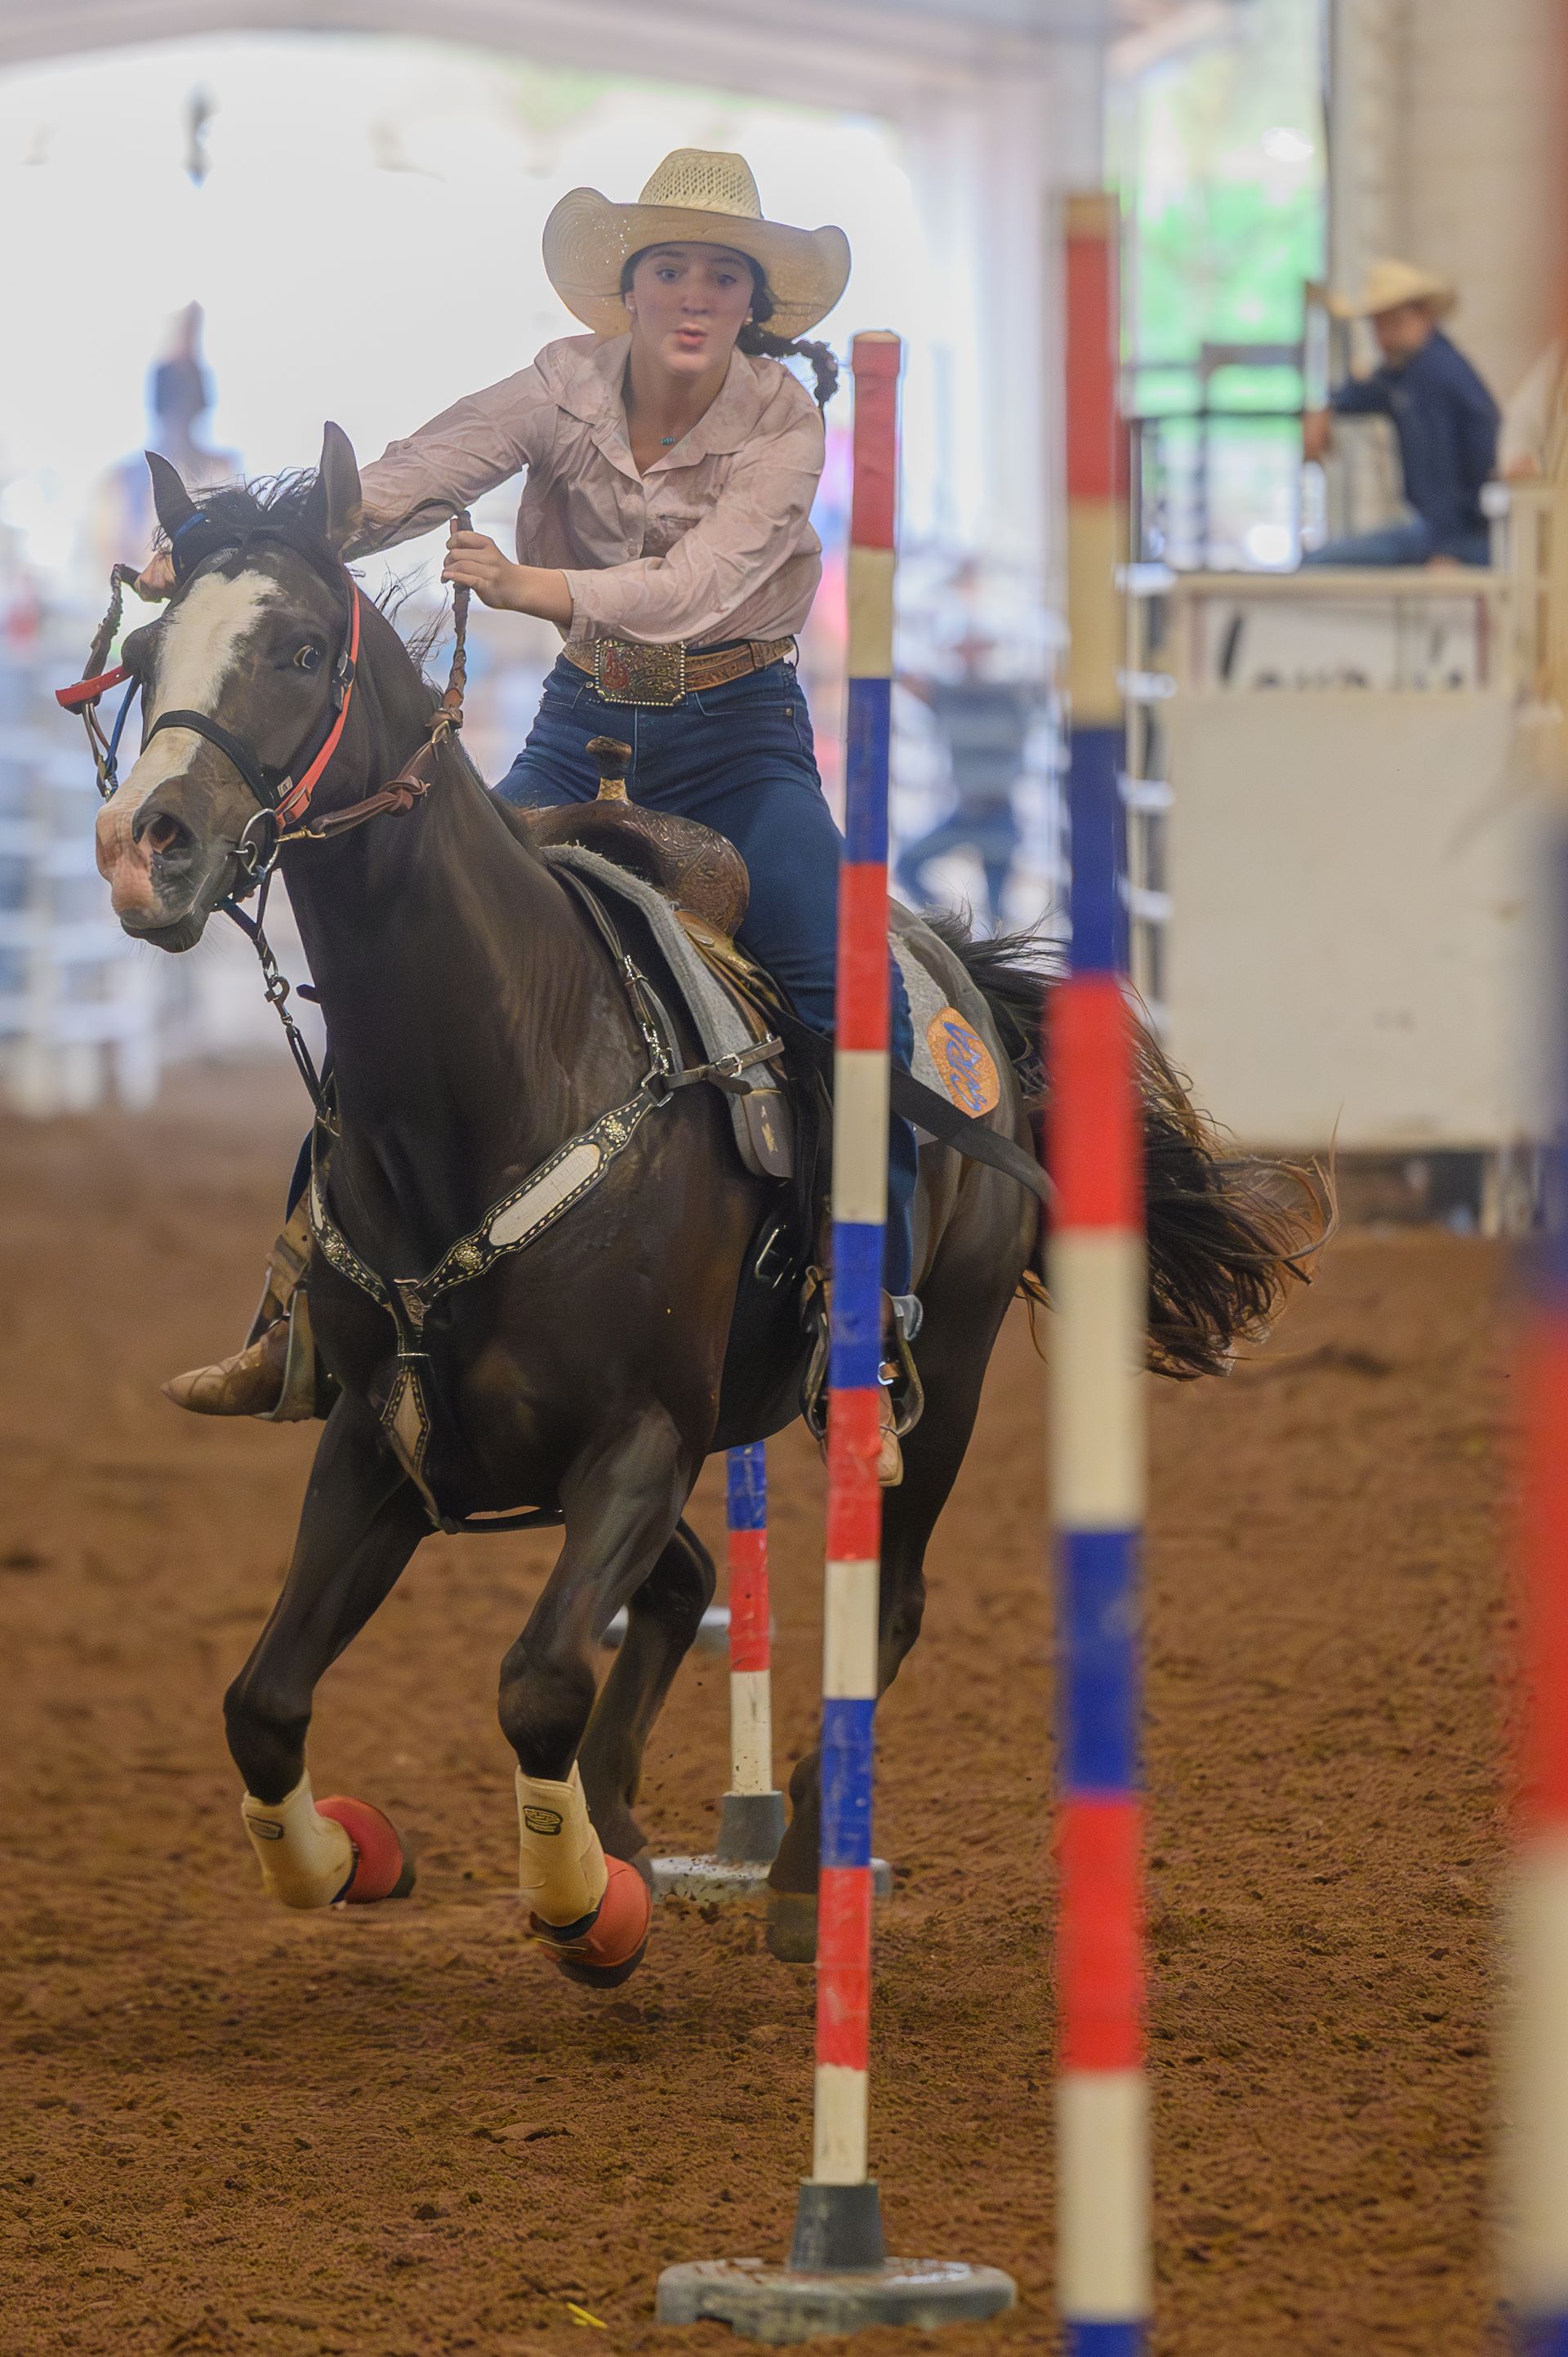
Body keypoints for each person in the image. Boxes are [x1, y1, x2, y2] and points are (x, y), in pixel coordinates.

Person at [154, 150, 921, 1482]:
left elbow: (697, 586)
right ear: (626, 291)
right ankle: (299, 1308)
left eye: (721, 275)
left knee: (852, 992)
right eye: (670, 268)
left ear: (754, 303)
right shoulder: (558, 385)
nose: (693, 294)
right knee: (408, 959)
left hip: (742, 740)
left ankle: (871, 1315)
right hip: (586, 726)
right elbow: (415, 473)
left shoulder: (787, 423)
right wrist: (241, 546)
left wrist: (534, 587)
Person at [1301, 259, 1499, 568]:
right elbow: (1366, 392)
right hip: (1445, 531)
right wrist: (1328, 406)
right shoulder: (1409, 371)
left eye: (1393, 324)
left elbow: (1451, 471)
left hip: (1460, 537)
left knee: (1319, 564)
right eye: (1378, 326)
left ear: (1424, 316)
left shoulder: (1435, 375)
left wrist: (1450, 550)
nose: (1383, 339)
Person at [895, 630, 1027, 929]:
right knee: (908, 864)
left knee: (998, 909)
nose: (970, 657)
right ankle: (951, 931)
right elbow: (902, 677)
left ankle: (982, 949)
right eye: (963, 650)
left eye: (976, 649)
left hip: (998, 809)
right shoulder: (947, 694)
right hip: (966, 810)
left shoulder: (1010, 694)